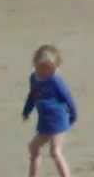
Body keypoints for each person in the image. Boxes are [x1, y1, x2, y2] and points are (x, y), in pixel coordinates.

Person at [22, 45, 77, 177]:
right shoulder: (34, 78)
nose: (45, 72)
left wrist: (73, 115)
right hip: (45, 121)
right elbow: (33, 95)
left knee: (55, 151)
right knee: (34, 148)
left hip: (59, 120)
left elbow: (68, 97)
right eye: (41, 68)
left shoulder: (56, 80)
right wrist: (27, 110)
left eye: (49, 69)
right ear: (35, 64)